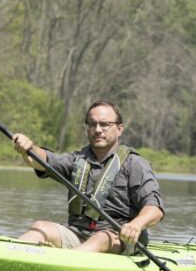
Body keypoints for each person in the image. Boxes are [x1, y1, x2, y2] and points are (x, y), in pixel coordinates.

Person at [11, 101, 164, 255]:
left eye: (104, 124)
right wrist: (28, 148)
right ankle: (10, 251)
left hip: (120, 239)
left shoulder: (135, 164)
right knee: (40, 227)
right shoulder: (77, 159)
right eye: (92, 124)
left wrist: (137, 224)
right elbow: (43, 160)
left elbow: (155, 209)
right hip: (78, 234)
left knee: (101, 238)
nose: (98, 130)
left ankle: (63, 261)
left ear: (119, 129)